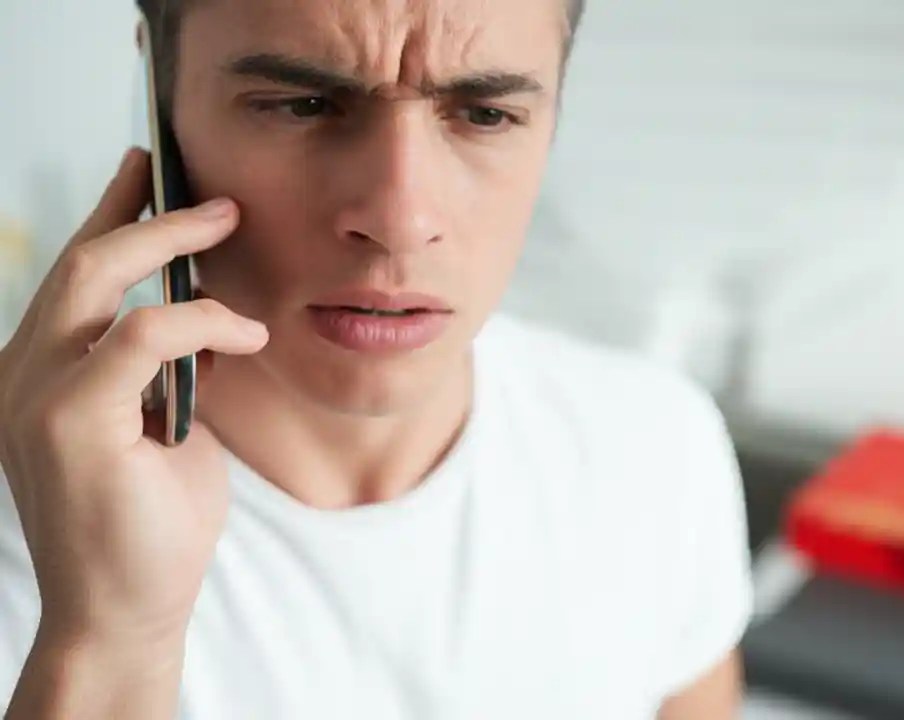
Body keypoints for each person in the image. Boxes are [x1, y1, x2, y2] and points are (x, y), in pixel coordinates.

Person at [0, 0, 753, 718]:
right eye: (303, 105)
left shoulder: (659, 450)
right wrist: (108, 643)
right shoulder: (22, 550)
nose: (400, 221)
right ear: (156, 101)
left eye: (487, 114)